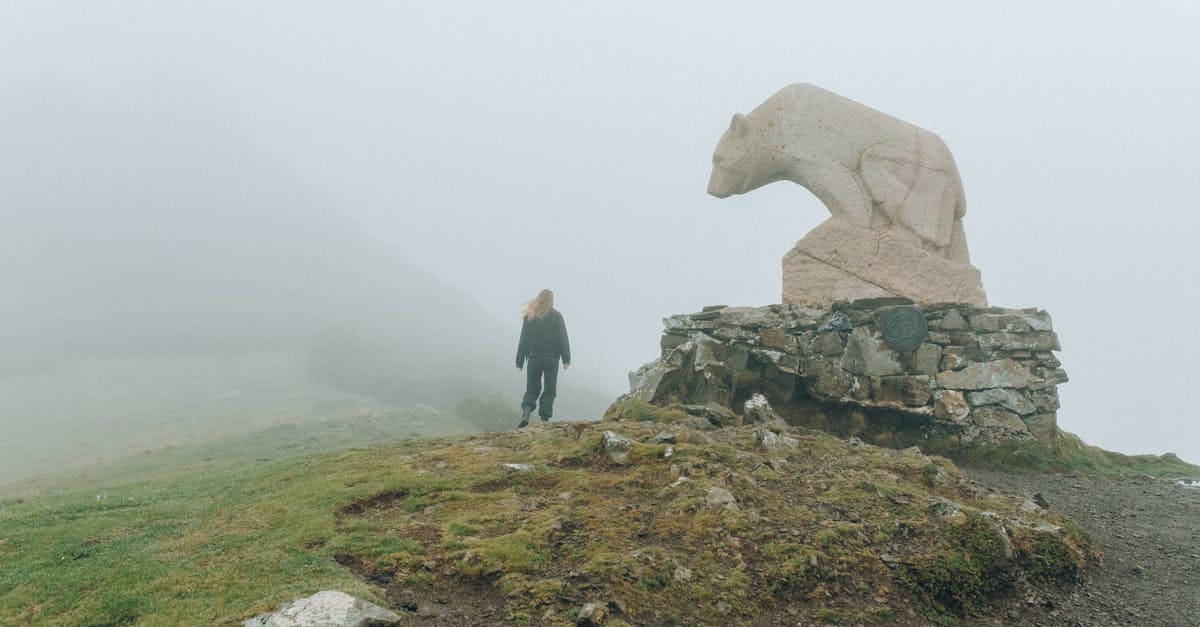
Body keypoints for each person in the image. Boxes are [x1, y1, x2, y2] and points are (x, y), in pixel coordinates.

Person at [515, 289, 570, 427]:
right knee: (549, 389)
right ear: (551, 300)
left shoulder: (530, 317)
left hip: (533, 358)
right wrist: (566, 359)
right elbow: (562, 337)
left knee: (532, 389)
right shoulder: (556, 316)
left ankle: (526, 414)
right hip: (551, 359)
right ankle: (544, 419)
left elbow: (524, 339)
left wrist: (519, 360)